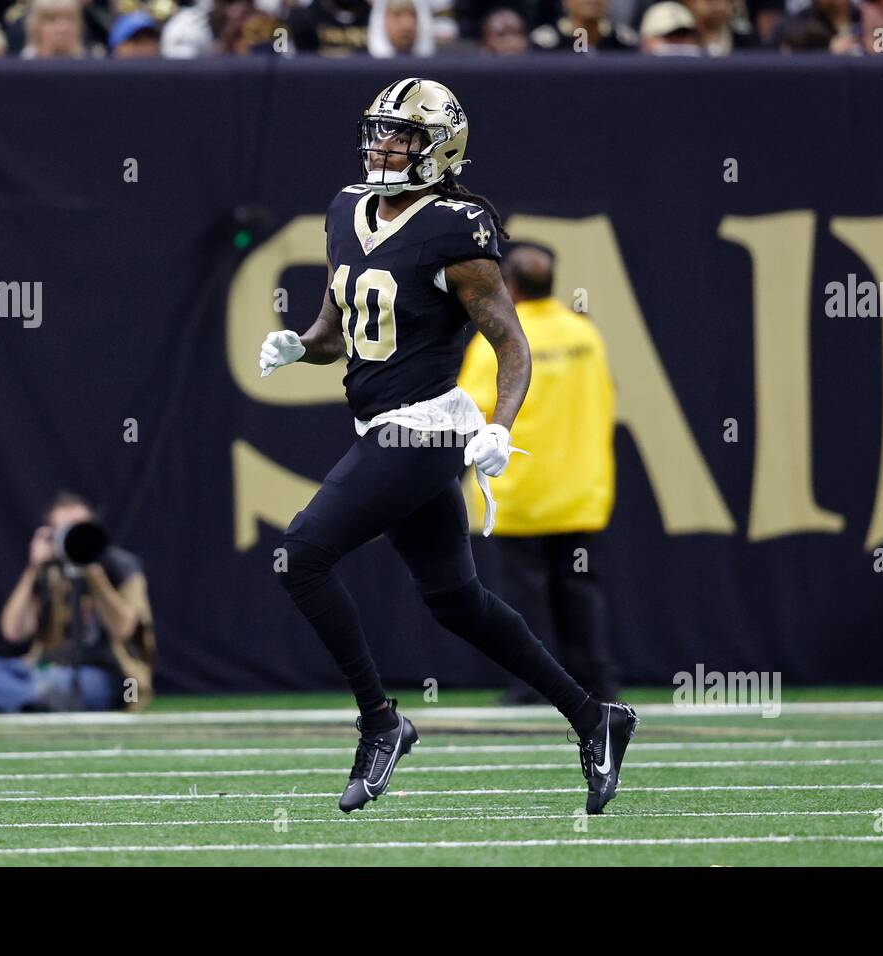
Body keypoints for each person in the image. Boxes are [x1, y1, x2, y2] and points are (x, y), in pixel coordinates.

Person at [258, 78, 638, 815]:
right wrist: (299, 346)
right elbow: (337, 332)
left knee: (303, 554)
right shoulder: (345, 209)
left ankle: (381, 721)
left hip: (426, 425)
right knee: (457, 601)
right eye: (380, 131)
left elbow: (512, 346)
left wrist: (500, 424)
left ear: (440, 147)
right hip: (380, 424)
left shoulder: (458, 227)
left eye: (403, 135)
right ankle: (595, 717)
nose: (385, 146)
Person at [459, 244, 620, 705]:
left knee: (525, 597)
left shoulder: (500, 336)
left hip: (521, 490)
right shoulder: (583, 334)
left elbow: (469, 407)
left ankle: (534, 685)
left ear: (508, 283)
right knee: (580, 590)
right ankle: (599, 682)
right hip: (578, 488)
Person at [0, 491, 156, 714]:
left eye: (80, 528)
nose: (75, 538)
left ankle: (4, 702)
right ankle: (32, 703)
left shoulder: (118, 568)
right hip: (44, 668)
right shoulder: (48, 570)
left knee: (56, 683)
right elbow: (13, 631)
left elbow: (124, 631)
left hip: (103, 675)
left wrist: (95, 578)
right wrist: (33, 569)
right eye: (67, 531)